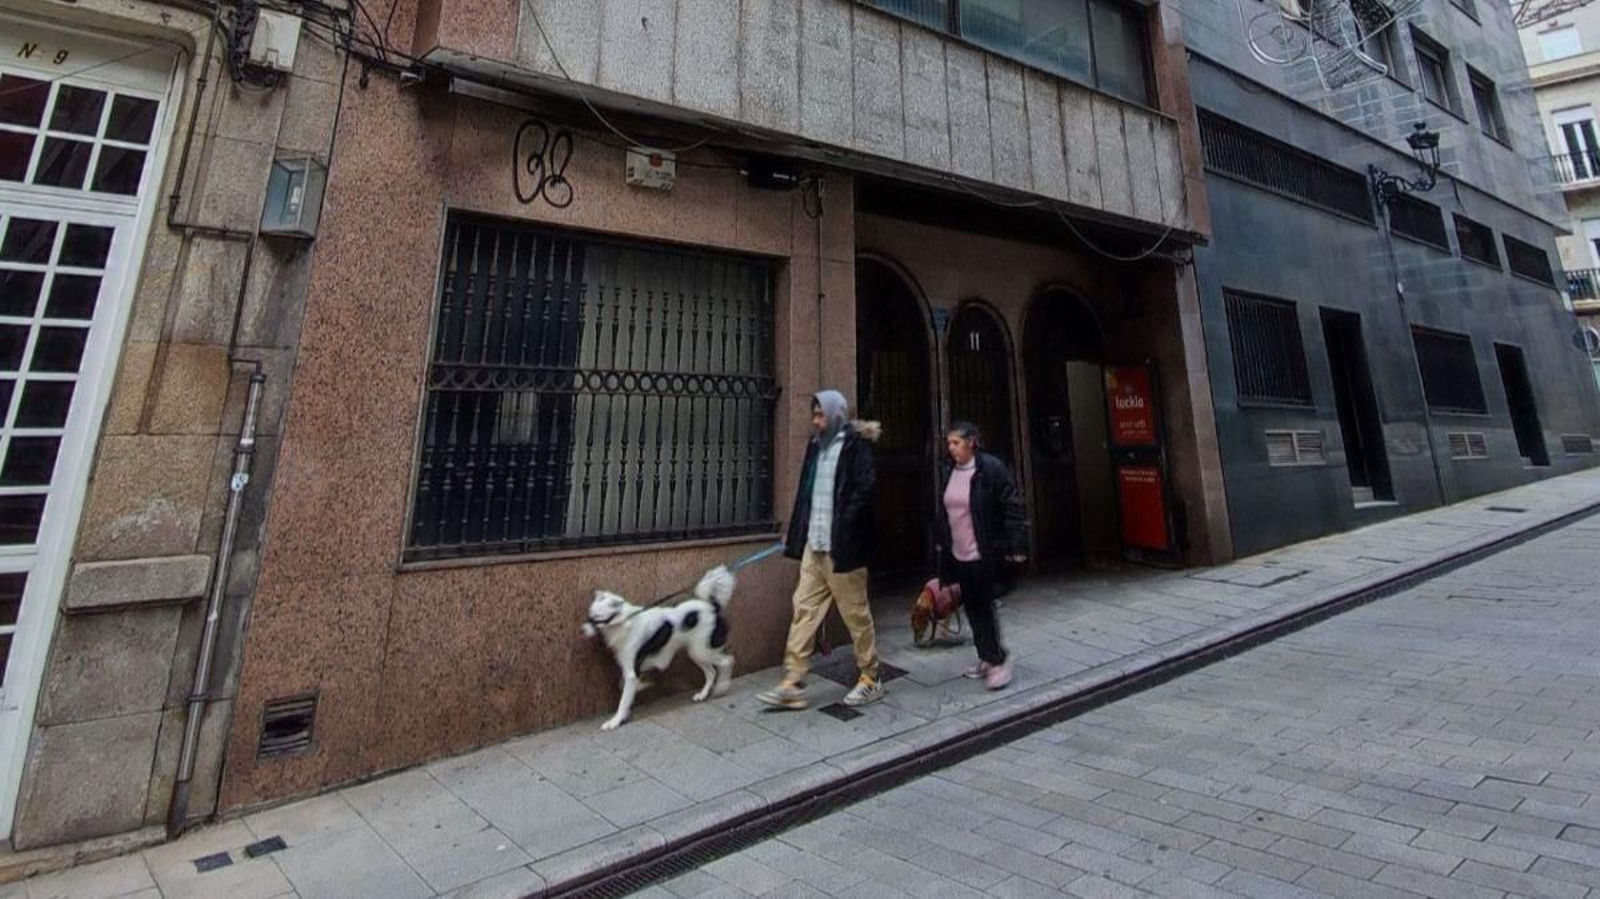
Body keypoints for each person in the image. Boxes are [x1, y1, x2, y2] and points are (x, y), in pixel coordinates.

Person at [758, 390, 883, 710]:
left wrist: (845, 525)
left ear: (836, 414)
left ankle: (870, 676)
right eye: (814, 414)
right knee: (804, 610)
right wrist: (797, 532)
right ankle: (793, 682)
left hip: (843, 550)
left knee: (856, 614)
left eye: (820, 414)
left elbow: (865, 489)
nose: (815, 421)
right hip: (815, 546)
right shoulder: (815, 446)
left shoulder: (856, 446)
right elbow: (806, 493)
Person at [934, 421, 1027, 690]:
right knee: (973, 607)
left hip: (984, 551)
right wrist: (940, 542)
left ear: (972, 442)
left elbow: (1011, 506)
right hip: (958, 552)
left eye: (956, 442)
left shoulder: (990, 469)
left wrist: (1016, 546)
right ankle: (985, 656)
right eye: (949, 443)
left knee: (984, 606)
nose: (951, 448)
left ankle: (997, 661)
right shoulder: (949, 470)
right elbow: (945, 510)